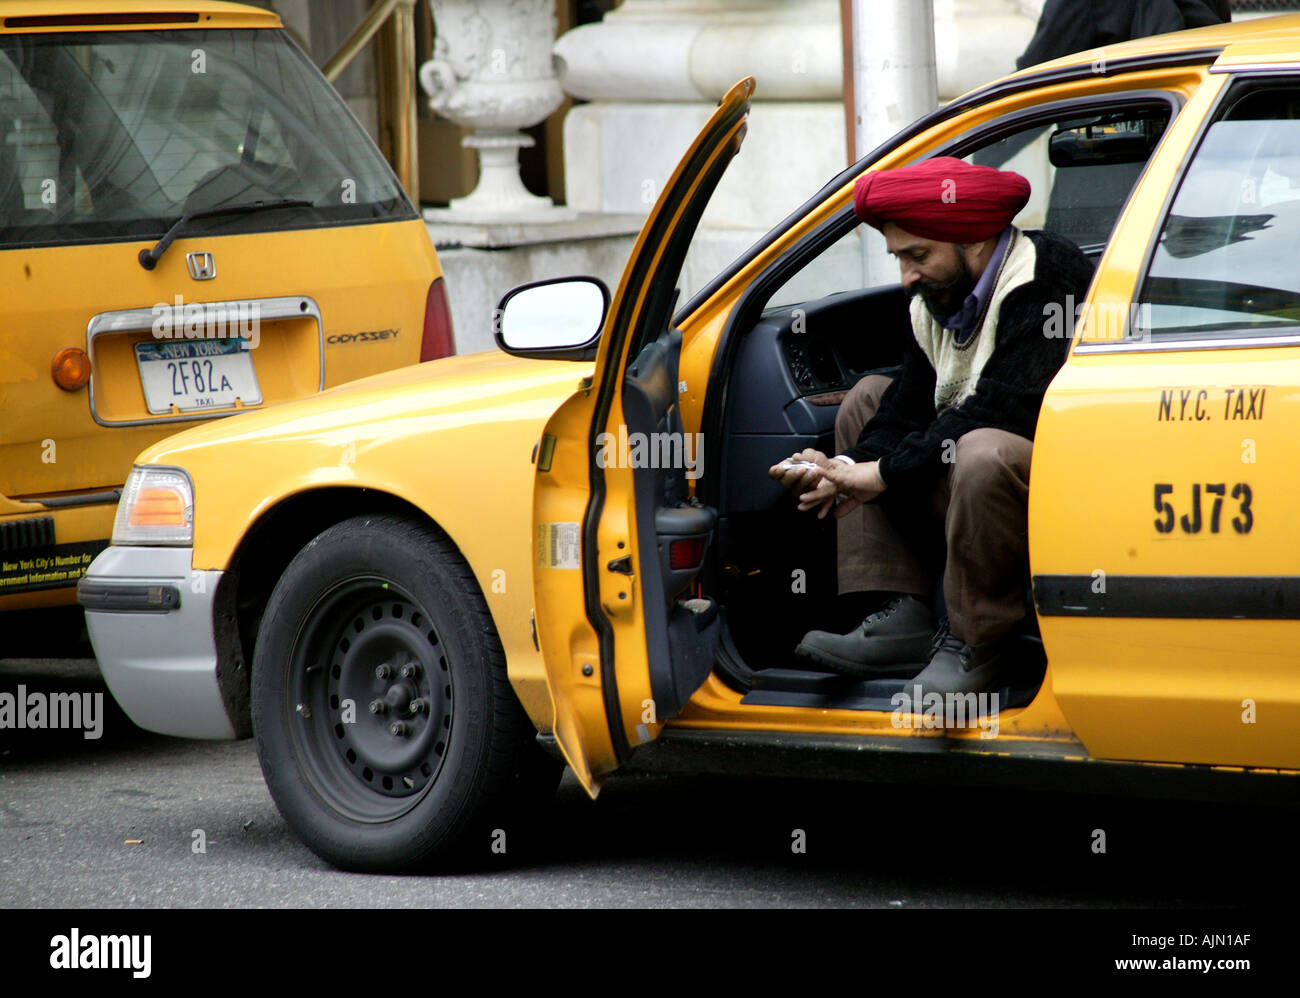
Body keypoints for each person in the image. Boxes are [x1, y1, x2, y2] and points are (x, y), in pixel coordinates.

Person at [769, 157, 1094, 697]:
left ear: (973, 239)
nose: (907, 277)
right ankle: (902, 618)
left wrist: (884, 474)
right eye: (900, 258)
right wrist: (844, 468)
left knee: (983, 448)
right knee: (865, 398)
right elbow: (904, 407)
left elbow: (1003, 410)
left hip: (1048, 495)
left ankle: (980, 644)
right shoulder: (933, 299)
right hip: (965, 478)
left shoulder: (1045, 276)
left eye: (918, 255)